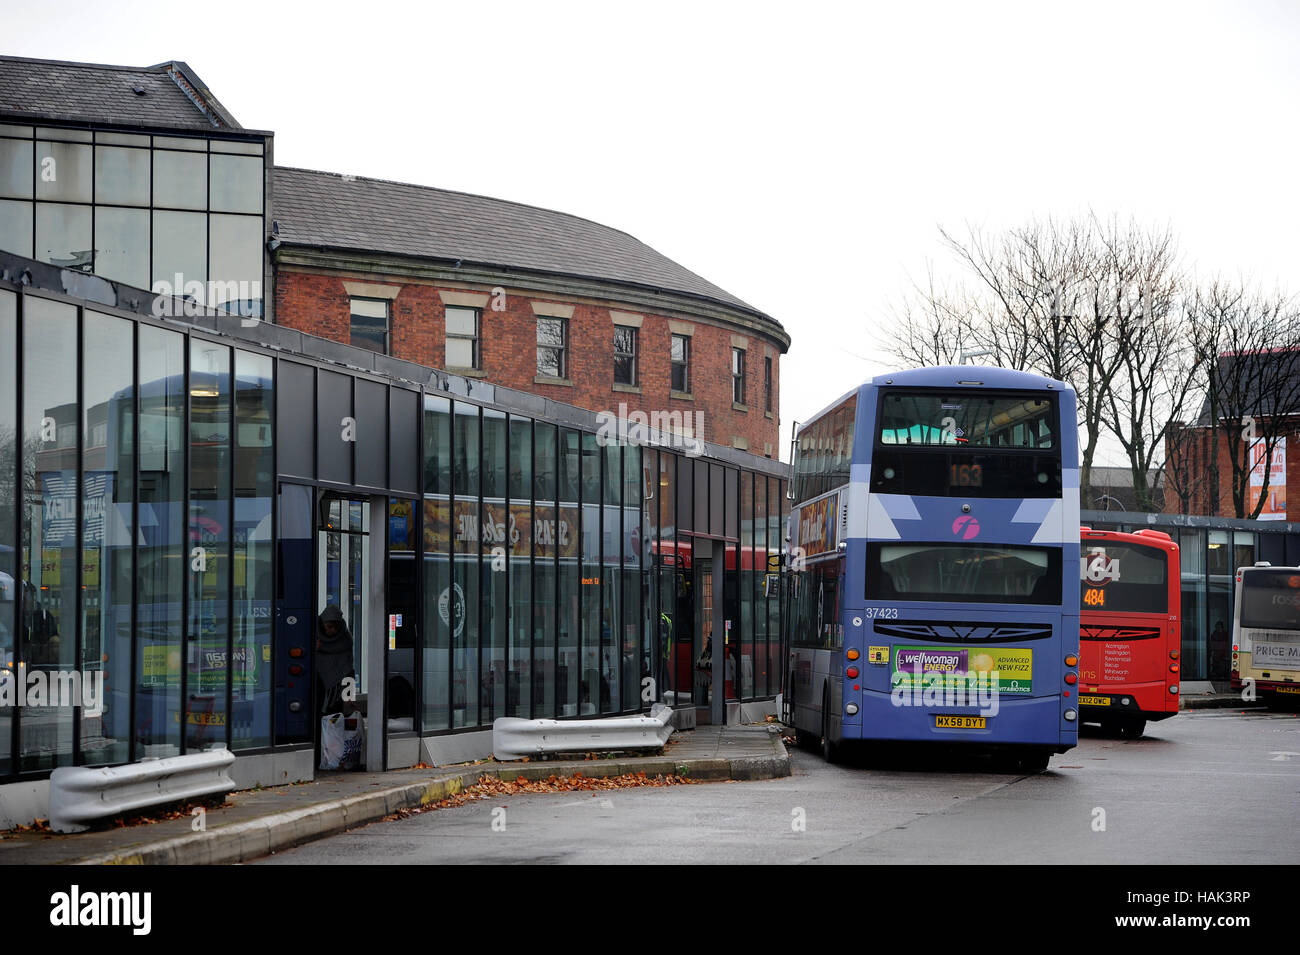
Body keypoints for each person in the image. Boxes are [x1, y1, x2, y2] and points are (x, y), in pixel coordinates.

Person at [316, 604, 356, 716]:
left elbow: (348, 669)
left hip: (339, 692)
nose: (333, 630)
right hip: (318, 690)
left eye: (336, 627)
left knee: (337, 721)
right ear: (322, 624)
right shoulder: (312, 637)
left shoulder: (345, 639)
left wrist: (350, 697)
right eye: (329, 626)